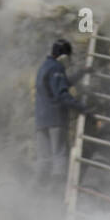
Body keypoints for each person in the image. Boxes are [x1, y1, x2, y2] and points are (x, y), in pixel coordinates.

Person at [34, 38, 89, 190]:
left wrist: (81, 73)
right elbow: (62, 93)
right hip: (56, 119)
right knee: (59, 155)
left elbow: (61, 82)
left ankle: (37, 190)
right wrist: (82, 108)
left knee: (43, 158)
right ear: (63, 56)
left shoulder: (44, 67)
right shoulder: (56, 68)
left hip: (41, 120)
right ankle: (56, 191)